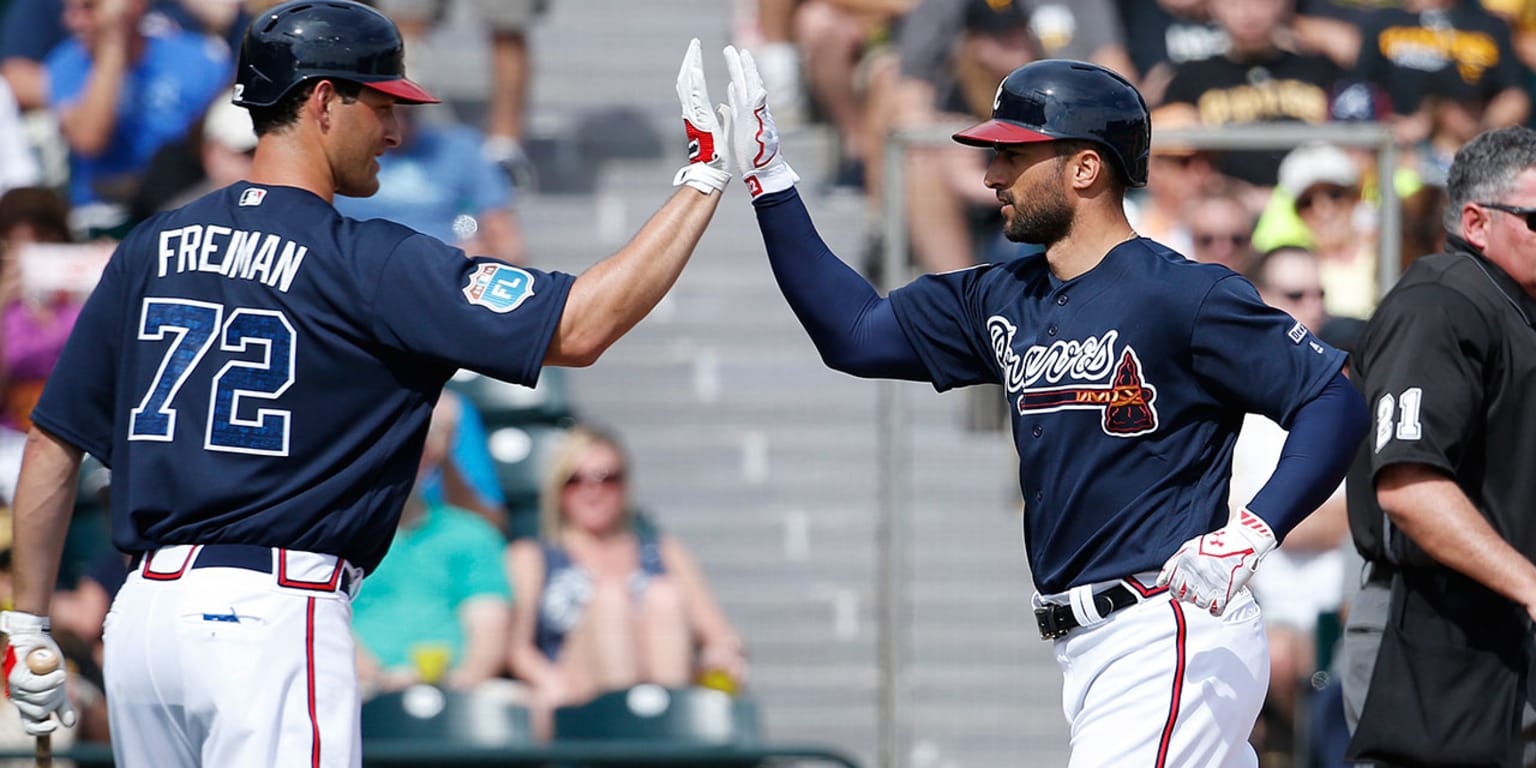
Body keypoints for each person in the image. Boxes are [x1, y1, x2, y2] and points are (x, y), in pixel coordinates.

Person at [0, 0, 736, 762]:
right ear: (323, 100)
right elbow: (580, 327)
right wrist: (705, 177)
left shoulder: (151, 245)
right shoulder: (369, 261)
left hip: (145, 623)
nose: (394, 130)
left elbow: (54, 444)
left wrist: (26, 628)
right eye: (381, 104)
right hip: (270, 613)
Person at [724, 50, 1368, 765]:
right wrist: (769, 181)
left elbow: (1332, 397)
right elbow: (853, 335)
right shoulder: (1003, 295)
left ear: (1084, 168)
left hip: (1167, 629)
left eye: (1013, 152)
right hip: (1092, 649)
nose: (991, 172)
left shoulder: (1184, 295)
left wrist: (1256, 528)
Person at [1342, 125, 1536, 766]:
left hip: (1503, 632)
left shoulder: (1515, 312)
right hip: (1428, 634)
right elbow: (1409, 488)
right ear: (1477, 222)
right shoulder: (1442, 300)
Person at [505, 425, 747, 740]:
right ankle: (625, 735)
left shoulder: (662, 549)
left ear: (625, 485)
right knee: (610, 599)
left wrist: (723, 654)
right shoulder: (532, 555)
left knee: (663, 596)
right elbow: (517, 649)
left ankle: (664, 736)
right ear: (558, 488)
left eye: (607, 478)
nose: (593, 490)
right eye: (576, 480)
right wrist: (551, 680)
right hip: (577, 684)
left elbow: (720, 634)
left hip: (660, 668)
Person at [352, 390, 512, 696]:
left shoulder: (472, 534)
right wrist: (377, 678)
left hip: (460, 689)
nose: (407, 457)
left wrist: (461, 682)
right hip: (357, 685)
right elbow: (324, 620)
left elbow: (489, 623)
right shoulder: (339, 535)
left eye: (419, 448)